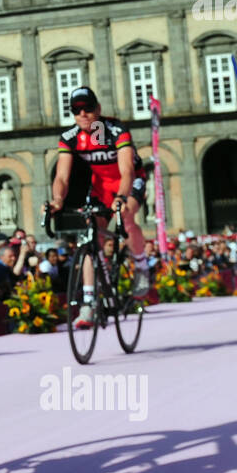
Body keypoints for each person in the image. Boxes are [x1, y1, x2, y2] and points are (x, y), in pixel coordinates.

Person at [45, 86, 148, 327]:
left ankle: (142, 265)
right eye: (76, 110)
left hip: (128, 181)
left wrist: (121, 197)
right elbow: (62, 177)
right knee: (90, 238)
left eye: (87, 108)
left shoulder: (115, 130)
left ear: (98, 109)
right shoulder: (70, 137)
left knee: (126, 214)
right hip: (101, 186)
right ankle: (89, 304)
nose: (83, 114)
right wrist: (58, 200)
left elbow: (127, 170)